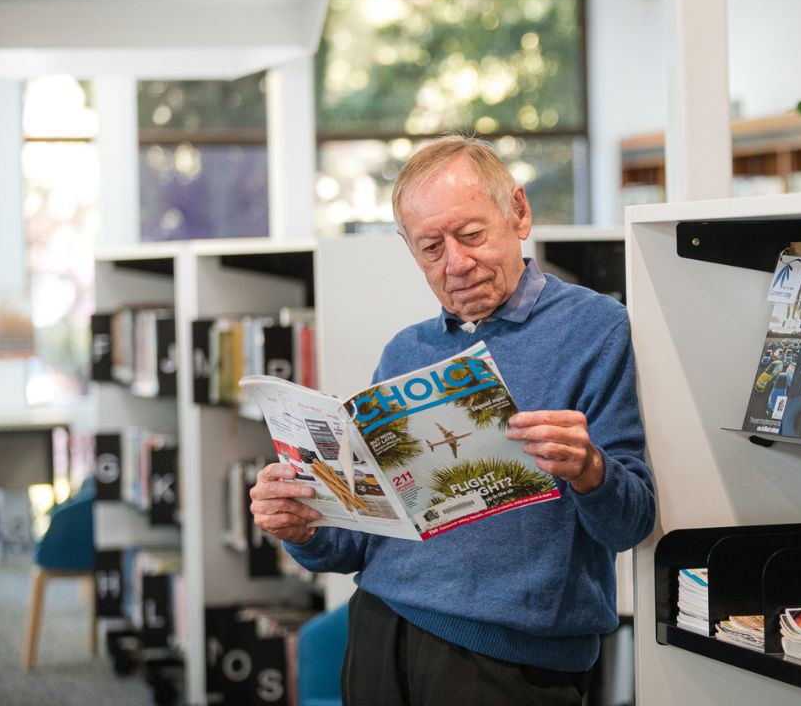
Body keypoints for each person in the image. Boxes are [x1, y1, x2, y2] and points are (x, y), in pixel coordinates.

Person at [248, 136, 656, 706]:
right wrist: (304, 529)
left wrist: (589, 468)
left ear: (518, 212)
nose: (456, 265)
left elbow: (631, 524)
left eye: (470, 236)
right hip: (379, 627)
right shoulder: (405, 351)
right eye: (430, 248)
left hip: (511, 659)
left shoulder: (597, 329)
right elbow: (362, 539)